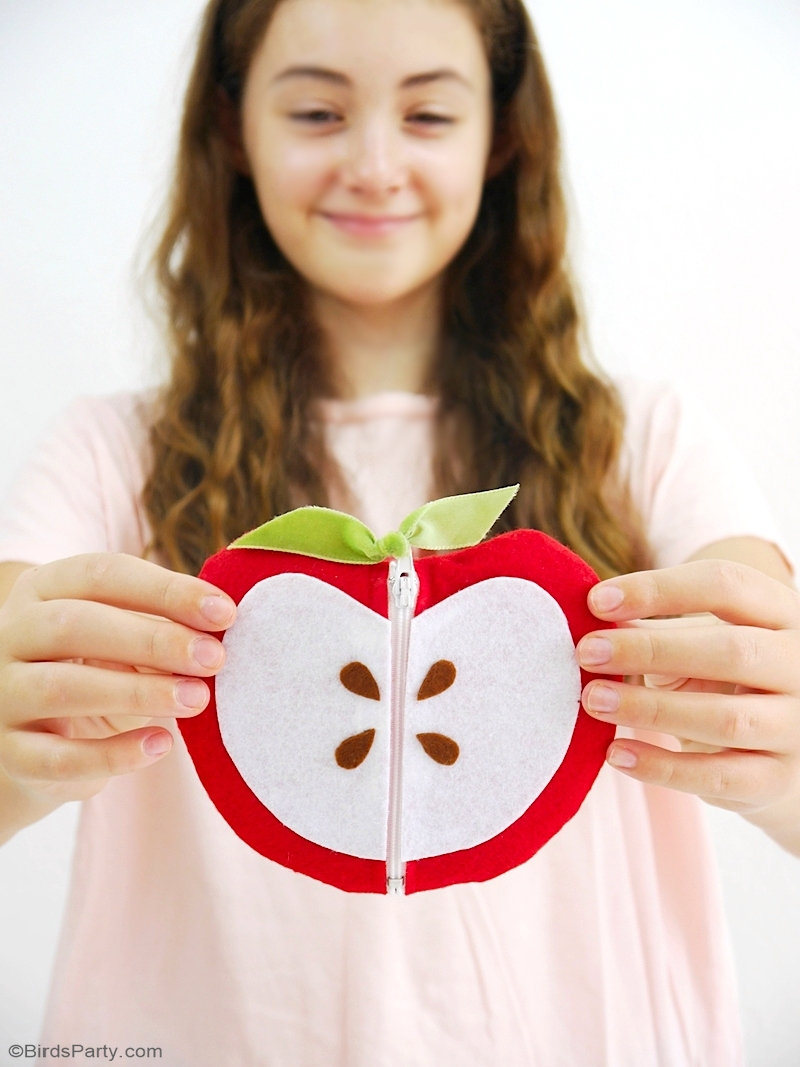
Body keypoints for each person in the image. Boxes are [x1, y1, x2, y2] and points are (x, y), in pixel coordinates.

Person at [0, 0, 797, 1063]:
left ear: (499, 137)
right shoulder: (107, 456)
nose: (374, 166)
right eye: (319, 112)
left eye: (426, 115)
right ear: (235, 130)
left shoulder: (642, 444)